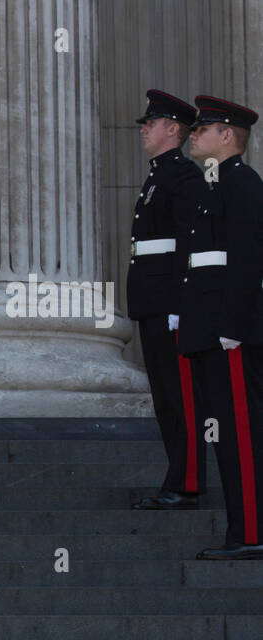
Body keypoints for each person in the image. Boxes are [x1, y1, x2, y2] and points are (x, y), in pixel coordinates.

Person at [181, 96, 263, 558]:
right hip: (210, 332)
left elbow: (248, 261)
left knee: (241, 435)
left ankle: (251, 534)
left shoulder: (241, 183)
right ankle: (243, 530)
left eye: (204, 128)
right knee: (226, 436)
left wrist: (232, 326)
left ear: (227, 135)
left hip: (229, 335)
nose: (195, 134)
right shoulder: (214, 185)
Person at [128, 90, 206, 511]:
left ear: (172, 130)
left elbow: (186, 245)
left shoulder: (183, 177)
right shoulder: (160, 174)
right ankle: (178, 476)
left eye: (151, 123)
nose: (144, 129)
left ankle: (187, 482)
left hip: (169, 304)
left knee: (180, 396)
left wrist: (180, 304)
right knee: (165, 396)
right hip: (153, 300)